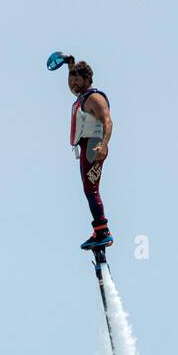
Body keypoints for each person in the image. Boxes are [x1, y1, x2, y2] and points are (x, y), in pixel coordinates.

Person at [52, 54, 114, 251]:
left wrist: (104, 145)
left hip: (94, 148)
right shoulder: (82, 97)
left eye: (77, 79)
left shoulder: (94, 98)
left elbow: (108, 121)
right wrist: (69, 65)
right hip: (86, 148)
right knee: (89, 191)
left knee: (92, 190)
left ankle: (103, 232)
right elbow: (73, 83)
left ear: (88, 80)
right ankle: (99, 231)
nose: (72, 84)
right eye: (71, 79)